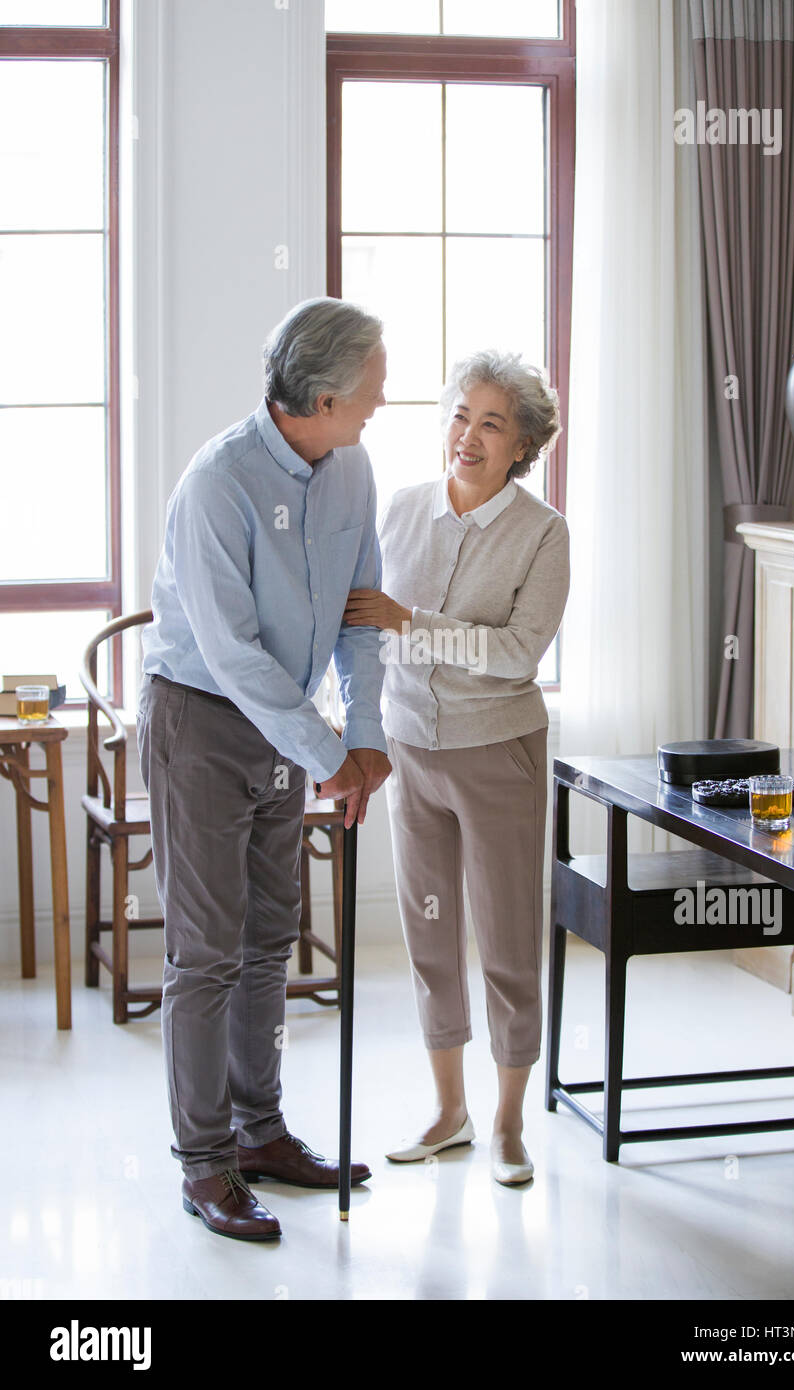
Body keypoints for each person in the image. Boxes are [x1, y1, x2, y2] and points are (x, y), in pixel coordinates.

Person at [137, 297, 392, 1241]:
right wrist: (331, 755)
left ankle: (260, 1132)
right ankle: (203, 1164)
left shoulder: (353, 468)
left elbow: (361, 610)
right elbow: (234, 655)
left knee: (267, 935)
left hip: (288, 728)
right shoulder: (218, 483)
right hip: (202, 720)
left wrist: (362, 735)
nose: (380, 403)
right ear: (322, 397)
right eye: (369, 391)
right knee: (204, 951)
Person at [343, 349, 570, 1185]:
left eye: (491, 424)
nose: (467, 436)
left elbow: (516, 657)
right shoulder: (400, 510)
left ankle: (509, 1125)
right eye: (460, 415)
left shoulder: (544, 534)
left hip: (496, 755)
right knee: (430, 939)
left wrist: (414, 622)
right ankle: (451, 1113)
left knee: (508, 943)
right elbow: (360, 628)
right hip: (410, 751)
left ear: (523, 446)